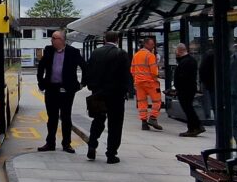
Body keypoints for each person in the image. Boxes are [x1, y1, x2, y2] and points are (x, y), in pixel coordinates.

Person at [85, 32, 133, 163]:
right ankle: (111, 154)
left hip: (98, 93)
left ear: (104, 39)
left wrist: (91, 86)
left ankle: (92, 144)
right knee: (115, 124)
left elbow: (88, 70)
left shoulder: (96, 53)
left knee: (98, 120)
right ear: (117, 40)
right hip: (116, 95)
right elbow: (126, 75)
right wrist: (127, 91)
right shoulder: (121, 53)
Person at [35, 29, 85, 153]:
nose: (51, 40)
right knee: (52, 117)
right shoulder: (48, 50)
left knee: (66, 117)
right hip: (51, 89)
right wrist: (41, 82)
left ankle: (67, 144)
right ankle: (50, 143)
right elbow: (41, 68)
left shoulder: (73, 52)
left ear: (62, 40)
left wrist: (82, 84)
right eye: (52, 38)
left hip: (67, 90)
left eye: (54, 38)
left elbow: (85, 67)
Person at [170, 42, 204, 137]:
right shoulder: (190, 60)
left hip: (185, 89)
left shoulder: (185, 62)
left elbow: (183, 77)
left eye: (176, 50)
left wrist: (178, 87)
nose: (175, 52)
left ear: (180, 51)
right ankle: (196, 126)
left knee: (188, 109)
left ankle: (194, 127)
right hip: (189, 88)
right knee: (188, 108)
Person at [131, 35, 163, 131]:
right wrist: (156, 80)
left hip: (139, 83)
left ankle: (144, 123)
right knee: (157, 100)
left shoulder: (136, 55)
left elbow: (132, 70)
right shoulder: (150, 55)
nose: (153, 46)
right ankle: (153, 118)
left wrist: (136, 79)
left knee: (142, 102)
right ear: (145, 44)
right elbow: (154, 71)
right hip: (150, 82)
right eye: (151, 44)